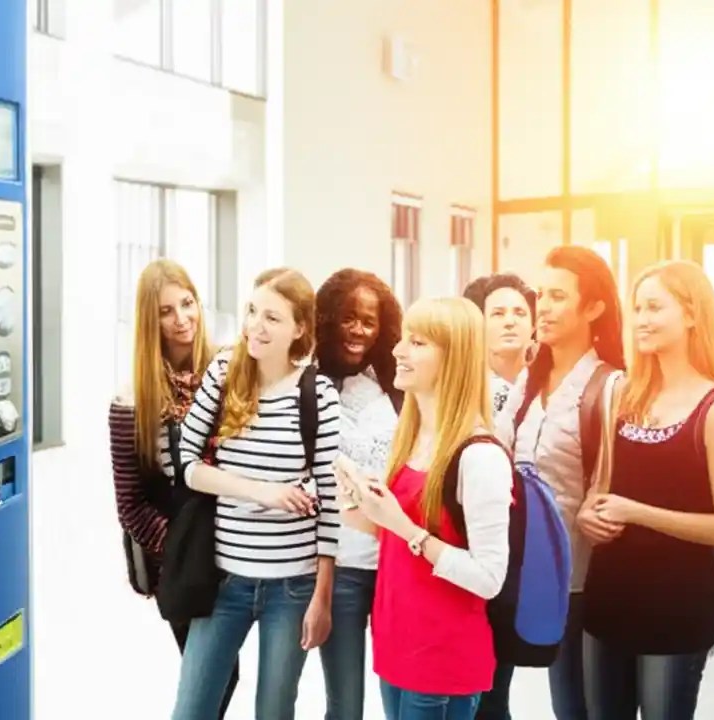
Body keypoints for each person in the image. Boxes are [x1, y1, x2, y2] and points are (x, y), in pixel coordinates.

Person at [581, 260, 714, 720]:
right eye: (636, 308)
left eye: (654, 307)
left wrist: (637, 512)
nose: (641, 319)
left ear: (692, 315)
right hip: (608, 599)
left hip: (675, 610)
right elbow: (600, 489)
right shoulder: (624, 394)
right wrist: (586, 515)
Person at [171, 268, 341, 720]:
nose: (255, 326)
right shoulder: (224, 373)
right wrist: (261, 492)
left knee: (273, 711)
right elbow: (187, 465)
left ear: (299, 328)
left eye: (272, 317)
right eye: (251, 312)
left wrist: (322, 597)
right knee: (191, 709)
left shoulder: (317, 394)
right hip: (224, 580)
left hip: (293, 587)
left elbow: (331, 500)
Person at [337, 296, 513, 720]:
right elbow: (400, 537)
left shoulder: (480, 455)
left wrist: (404, 526)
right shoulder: (411, 438)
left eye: (417, 343)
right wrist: (359, 507)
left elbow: (489, 578)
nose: (397, 351)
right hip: (398, 645)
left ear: (451, 358)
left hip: (440, 660)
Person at [482, 246, 627, 720]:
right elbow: (494, 452)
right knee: (489, 694)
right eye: (541, 294)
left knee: (575, 706)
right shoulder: (529, 380)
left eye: (558, 296)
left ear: (594, 308)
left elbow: (616, 484)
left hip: (578, 578)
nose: (542, 306)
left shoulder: (610, 386)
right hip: (515, 565)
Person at [107, 259, 238, 716]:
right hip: (180, 565)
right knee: (210, 675)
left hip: (239, 551)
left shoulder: (229, 376)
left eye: (188, 303)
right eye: (166, 311)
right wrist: (186, 548)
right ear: (150, 321)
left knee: (224, 674)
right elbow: (131, 505)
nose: (182, 319)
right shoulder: (131, 402)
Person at [313, 269, 403, 720]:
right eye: (348, 318)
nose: (358, 330)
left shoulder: (396, 387)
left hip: (395, 565)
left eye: (369, 321)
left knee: (402, 700)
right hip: (341, 566)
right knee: (344, 706)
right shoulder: (306, 387)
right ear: (326, 320)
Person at [463, 273, 536, 414]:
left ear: (533, 326)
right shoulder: (466, 391)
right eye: (498, 314)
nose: (510, 322)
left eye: (520, 313)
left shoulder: (546, 388)